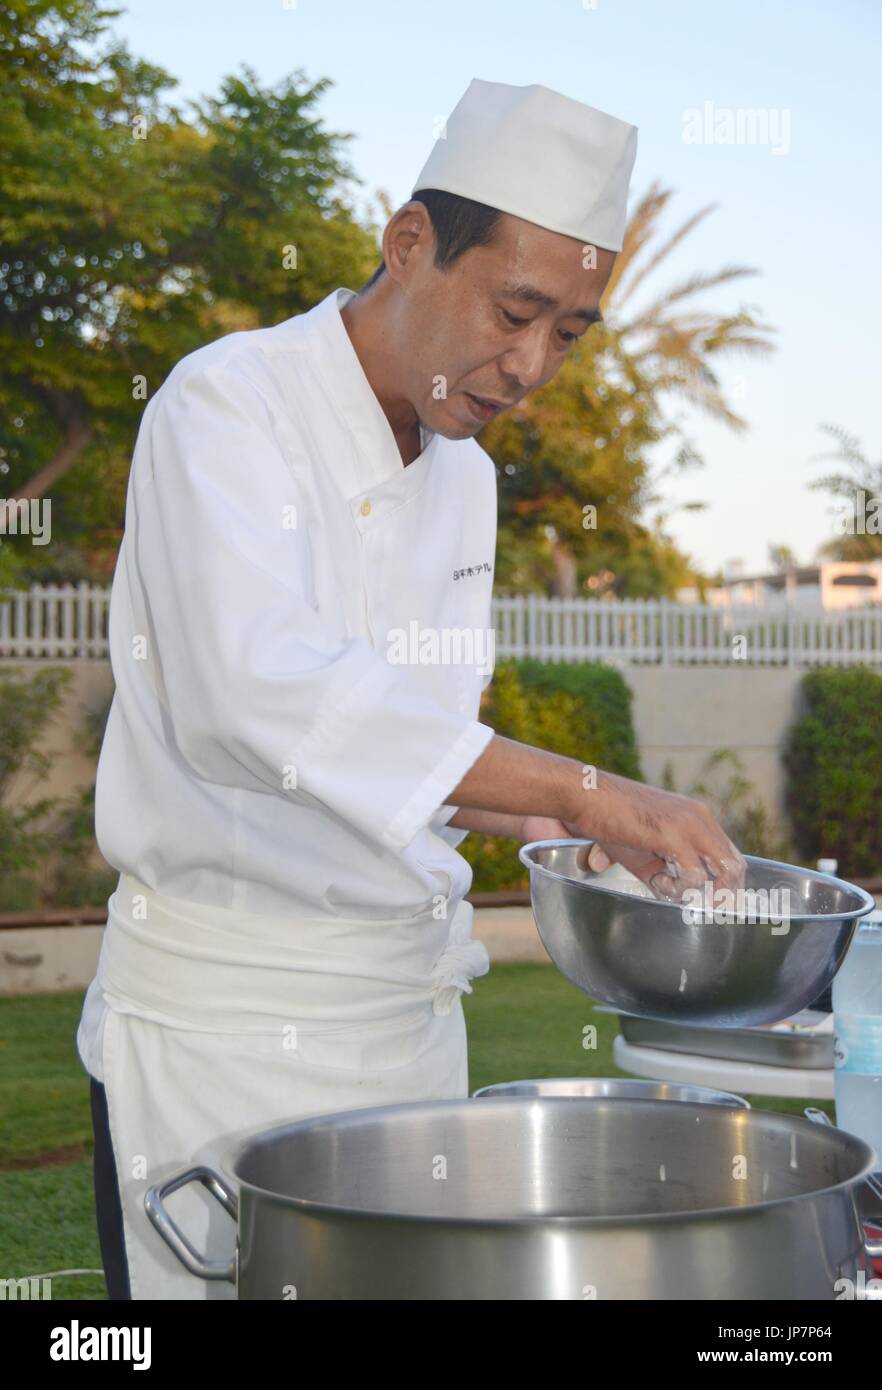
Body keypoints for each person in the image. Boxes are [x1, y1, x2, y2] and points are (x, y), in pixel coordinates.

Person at [76, 77, 744, 1300]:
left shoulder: (464, 474)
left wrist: (535, 822)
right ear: (409, 242)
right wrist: (591, 791)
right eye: (518, 309)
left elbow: (403, 748)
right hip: (222, 1038)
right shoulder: (227, 402)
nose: (532, 364)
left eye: (570, 334)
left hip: (404, 1030)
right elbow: (258, 699)